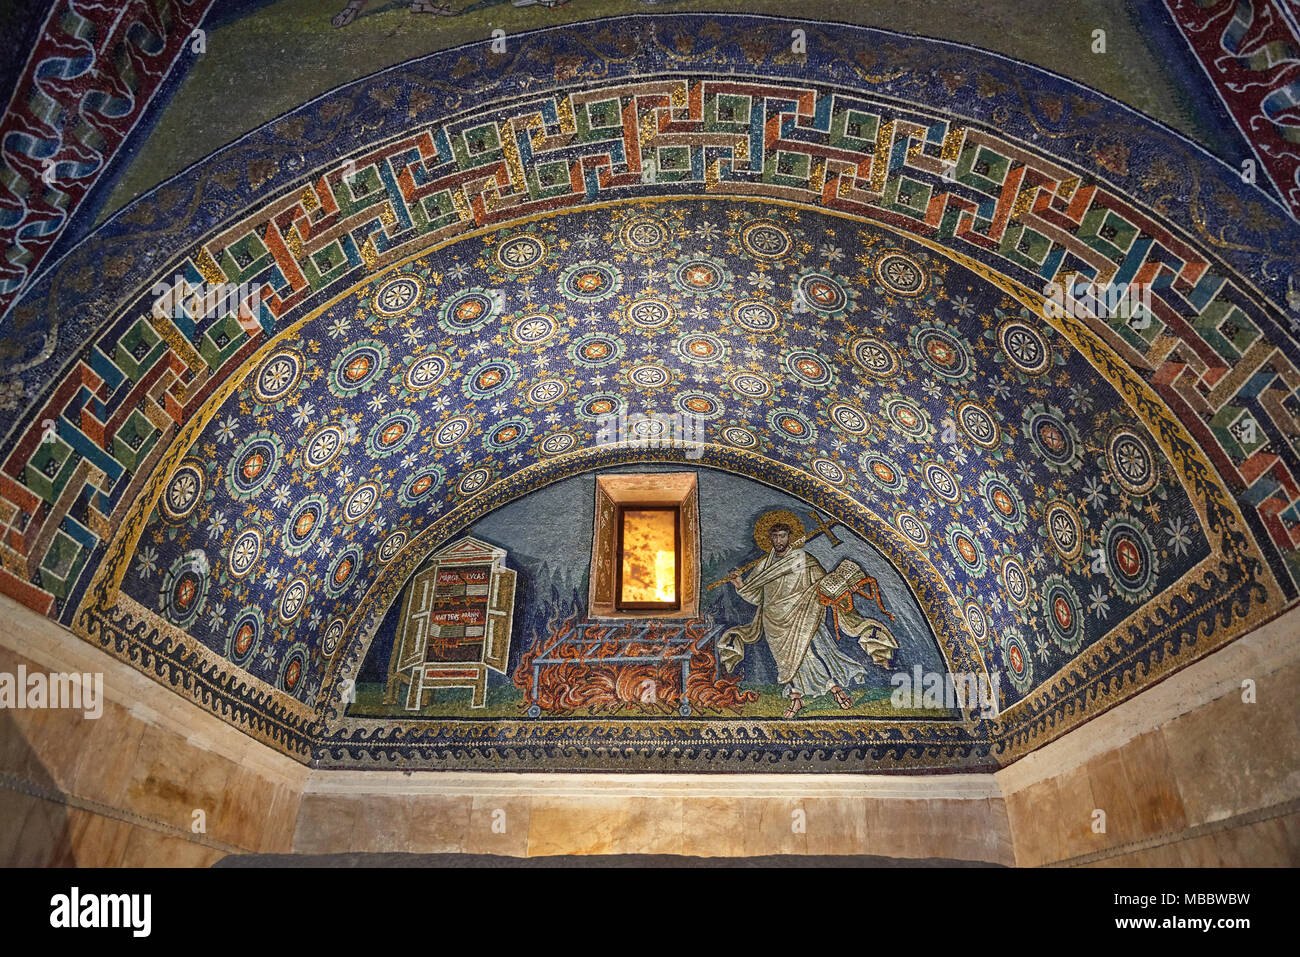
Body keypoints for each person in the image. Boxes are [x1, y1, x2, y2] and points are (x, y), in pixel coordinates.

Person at [718, 524, 896, 718]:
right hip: (773, 620)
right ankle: (796, 698)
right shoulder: (763, 566)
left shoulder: (804, 560)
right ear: (769, 539)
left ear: (790, 537)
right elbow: (757, 597)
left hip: (805, 612)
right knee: (784, 662)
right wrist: (740, 584)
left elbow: (824, 586)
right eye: (775, 536)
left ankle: (835, 689)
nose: (778, 540)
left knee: (816, 651)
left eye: (782, 536)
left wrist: (842, 590)